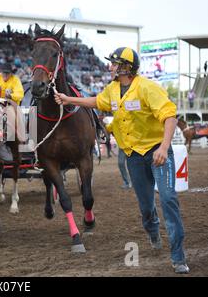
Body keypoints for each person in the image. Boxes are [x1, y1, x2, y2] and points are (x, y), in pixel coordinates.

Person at [54, 47, 189, 274]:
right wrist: (69, 98)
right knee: (146, 208)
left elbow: (169, 117)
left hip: (157, 153)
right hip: (134, 157)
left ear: (126, 67)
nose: (111, 66)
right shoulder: (113, 89)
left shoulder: (148, 88)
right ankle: (153, 230)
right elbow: (98, 101)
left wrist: (164, 147)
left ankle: (178, 256)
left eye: (115, 63)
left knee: (168, 200)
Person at [106, 121, 131, 188]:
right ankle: (127, 182)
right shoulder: (115, 121)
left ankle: (133, 181)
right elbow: (108, 127)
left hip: (132, 146)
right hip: (122, 146)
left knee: (132, 165)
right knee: (120, 163)